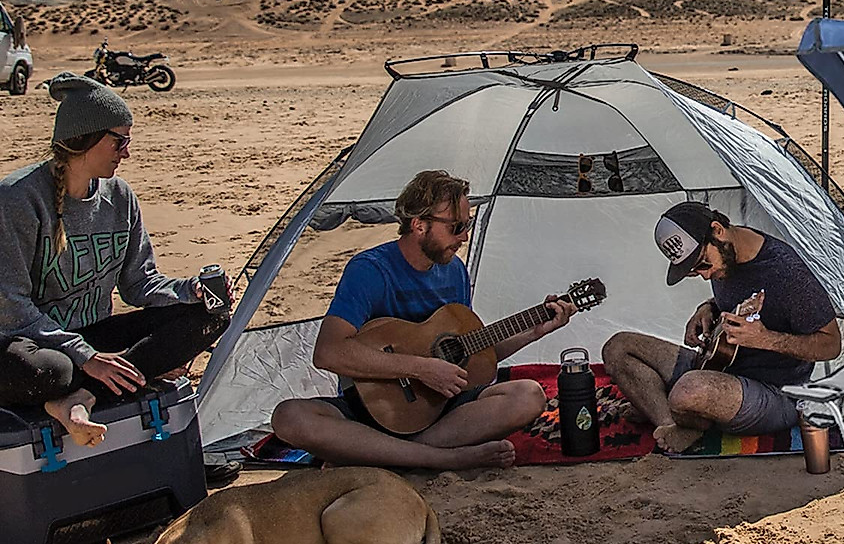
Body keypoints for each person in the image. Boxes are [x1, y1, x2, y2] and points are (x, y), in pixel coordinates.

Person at [271, 169, 577, 471]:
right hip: (370, 409)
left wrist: (533, 332)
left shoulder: (454, 270)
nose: (464, 237)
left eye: (467, 225)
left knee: (527, 395)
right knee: (289, 417)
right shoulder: (370, 271)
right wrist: (421, 369)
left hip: (438, 412)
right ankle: (443, 458)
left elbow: (471, 354)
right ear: (419, 225)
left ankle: (383, 454)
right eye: (457, 226)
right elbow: (329, 352)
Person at [0, 73, 232, 447]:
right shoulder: (17, 199)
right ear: (84, 139)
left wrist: (190, 291)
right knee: (49, 372)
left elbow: (140, 284)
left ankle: (82, 399)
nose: (127, 152)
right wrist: (87, 357)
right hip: (28, 344)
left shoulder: (120, 197)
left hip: (91, 334)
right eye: (119, 140)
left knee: (209, 317)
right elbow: (10, 307)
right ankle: (109, 379)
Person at [602, 202, 842, 454]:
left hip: (777, 393)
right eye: (694, 271)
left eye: (703, 264)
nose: (704, 275)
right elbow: (737, 298)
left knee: (687, 391)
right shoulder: (727, 256)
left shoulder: (789, 273)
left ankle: (675, 411)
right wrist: (707, 308)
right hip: (719, 365)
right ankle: (671, 423)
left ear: (717, 230)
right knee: (618, 348)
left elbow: (831, 344)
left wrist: (765, 339)